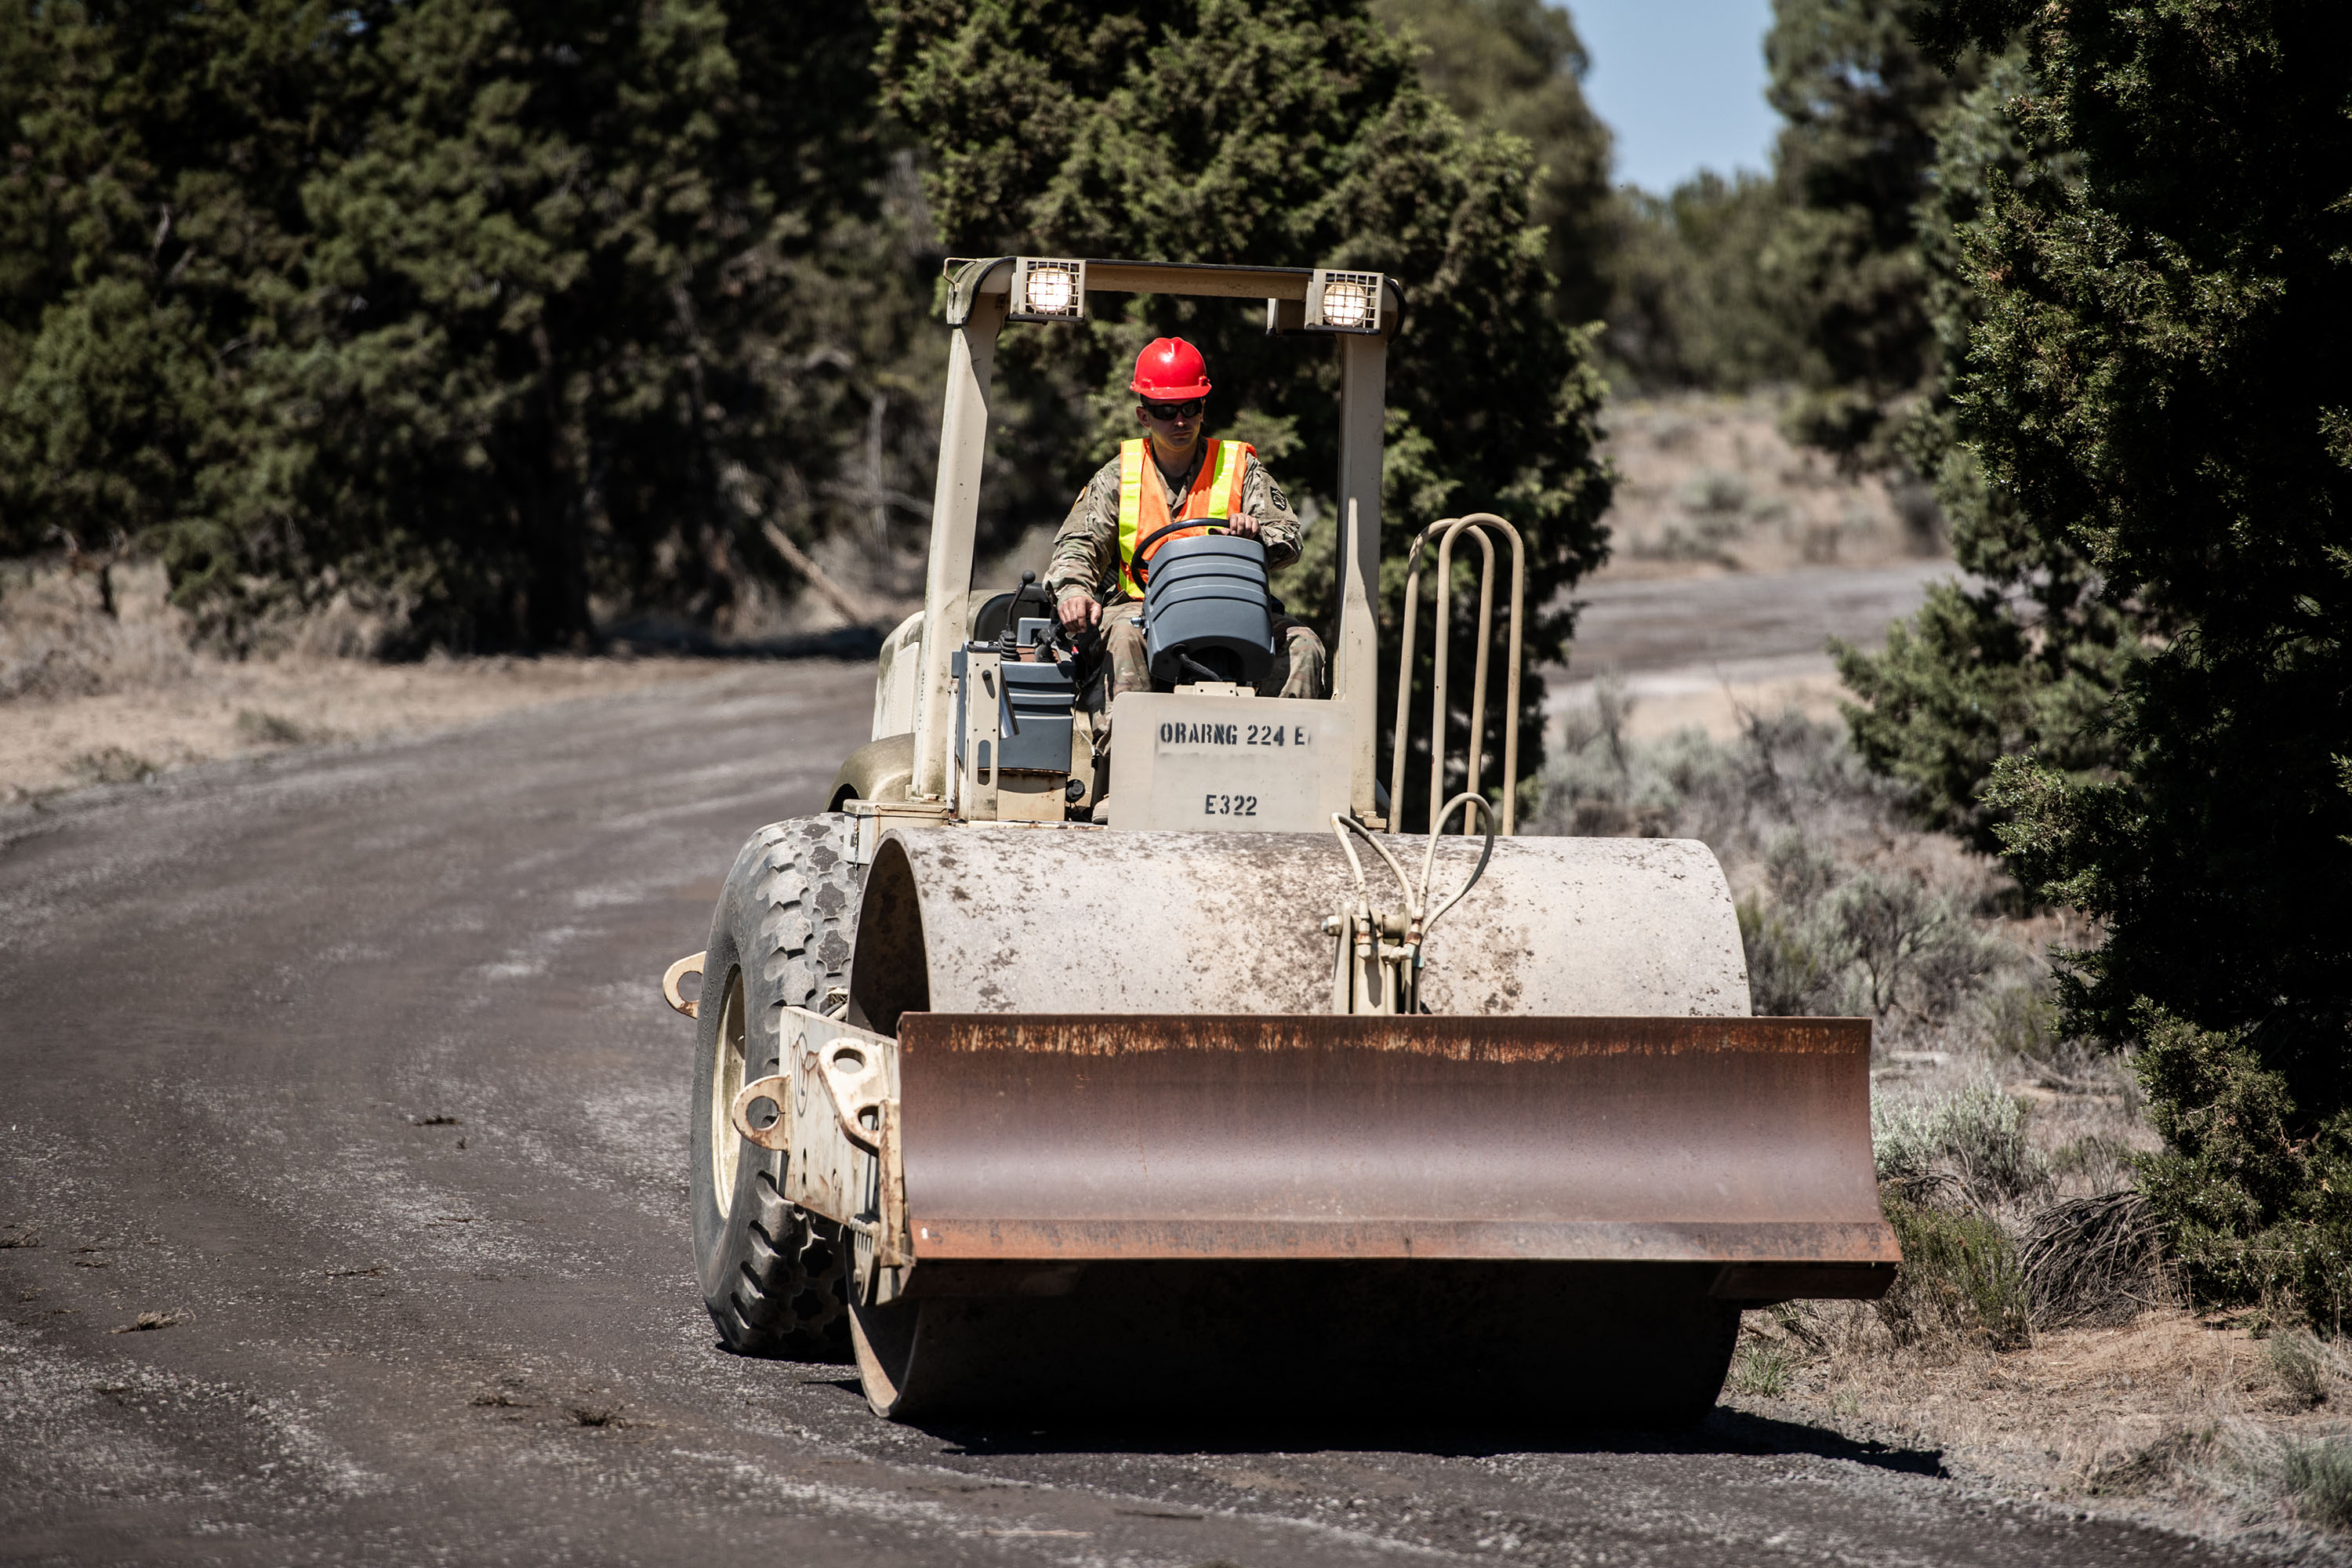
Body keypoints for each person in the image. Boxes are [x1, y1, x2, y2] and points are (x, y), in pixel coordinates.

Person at [1047, 337, 1327, 702]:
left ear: (1202, 409)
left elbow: (1288, 535)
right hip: (1141, 612)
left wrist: (1257, 539)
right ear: (1143, 415)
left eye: (1190, 408)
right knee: (1123, 640)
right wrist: (1074, 592)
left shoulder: (1239, 468)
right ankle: (1127, 753)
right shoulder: (1118, 477)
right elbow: (1080, 544)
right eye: (1166, 411)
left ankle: (1280, 749)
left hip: (1231, 607)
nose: (1180, 421)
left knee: (1303, 644)